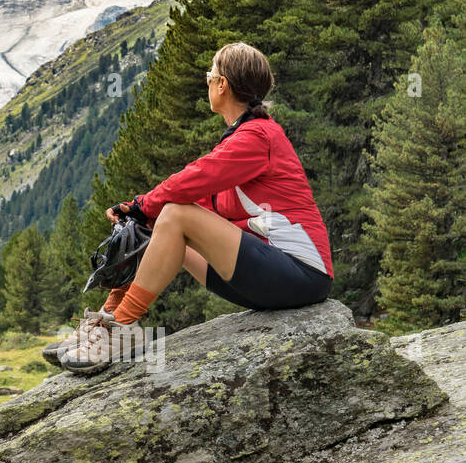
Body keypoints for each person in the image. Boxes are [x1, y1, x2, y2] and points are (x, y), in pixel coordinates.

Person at [57, 41, 334, 374]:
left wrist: (142, 205)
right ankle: (107, 322)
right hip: (271, 274)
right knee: (152, 222)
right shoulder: (246, 136)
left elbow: (198, 177)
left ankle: (123, 326)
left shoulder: (259, 136)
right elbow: (198, 197)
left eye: (210, 75)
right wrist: (140, 211)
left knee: (172, 214)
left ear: (222, 85)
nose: (208, 82)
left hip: (301, 273)